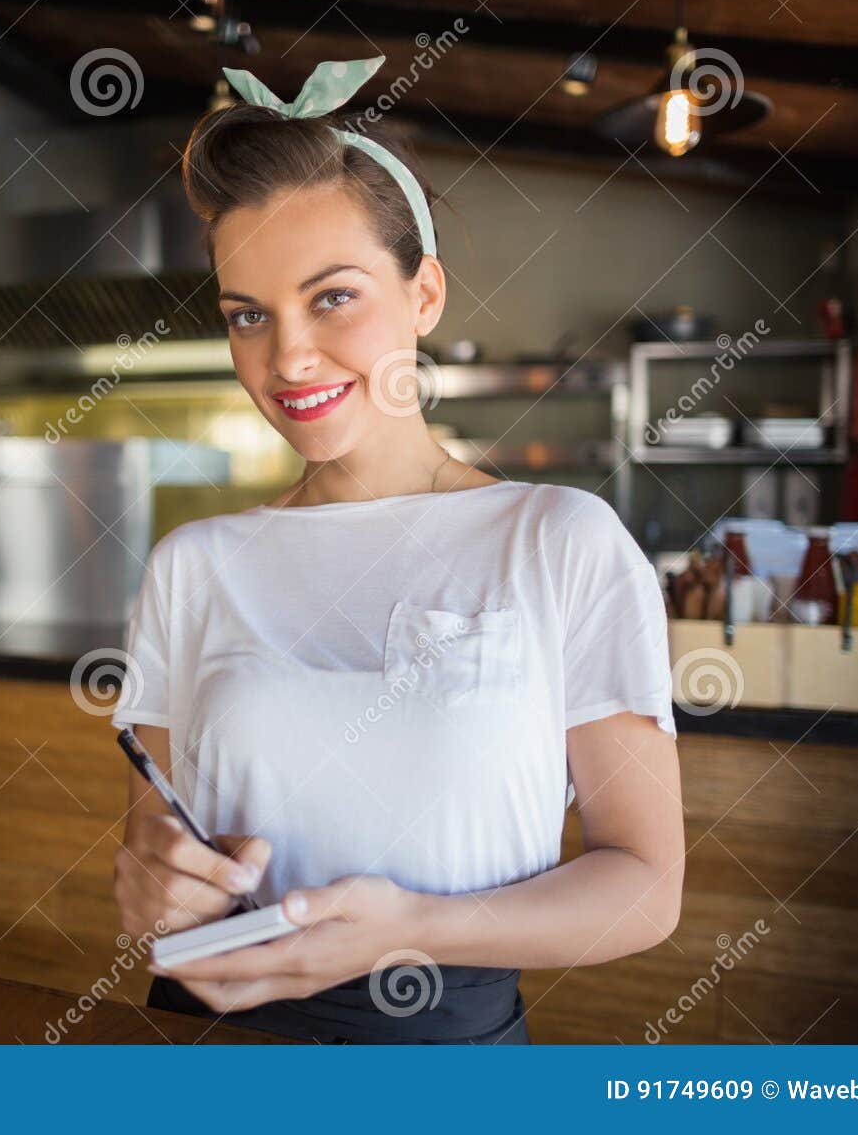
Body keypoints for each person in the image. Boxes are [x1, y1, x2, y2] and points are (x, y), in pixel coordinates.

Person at [109, 57, 683, 1044]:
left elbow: (644, 885)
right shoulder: (191, 564)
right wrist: (149, 887)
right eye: (247, 314)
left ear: (423, 294)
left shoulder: (558, 541)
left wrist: (412, 927)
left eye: (332, 296)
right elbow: (152, 844)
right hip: (209, 1046)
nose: (285, 357)